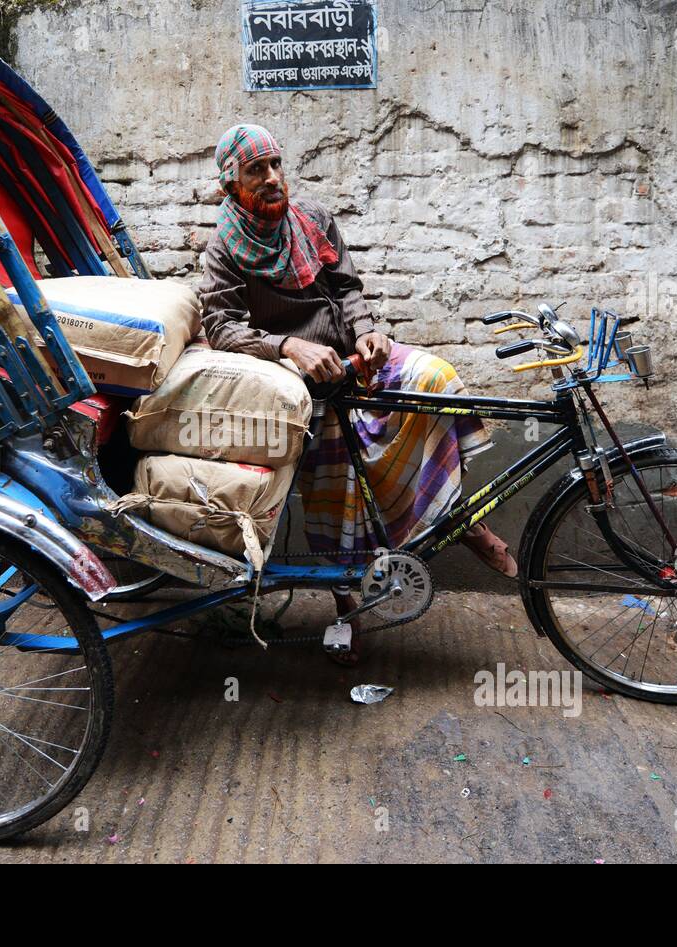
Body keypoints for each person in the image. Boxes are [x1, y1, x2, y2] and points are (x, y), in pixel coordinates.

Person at [198, 123, 517, 663]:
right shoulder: (222, 250)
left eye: (276, 164)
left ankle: (458, 519)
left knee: (436, 381)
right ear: (232, 184)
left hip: (360, 357)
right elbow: (222, 326)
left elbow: (347, 287)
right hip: (310, 388)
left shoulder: (314, 219)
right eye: (257, 170)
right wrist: (287, 347)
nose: (274, 178)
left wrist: (367, 328)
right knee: (340, 488)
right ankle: (348, 606)